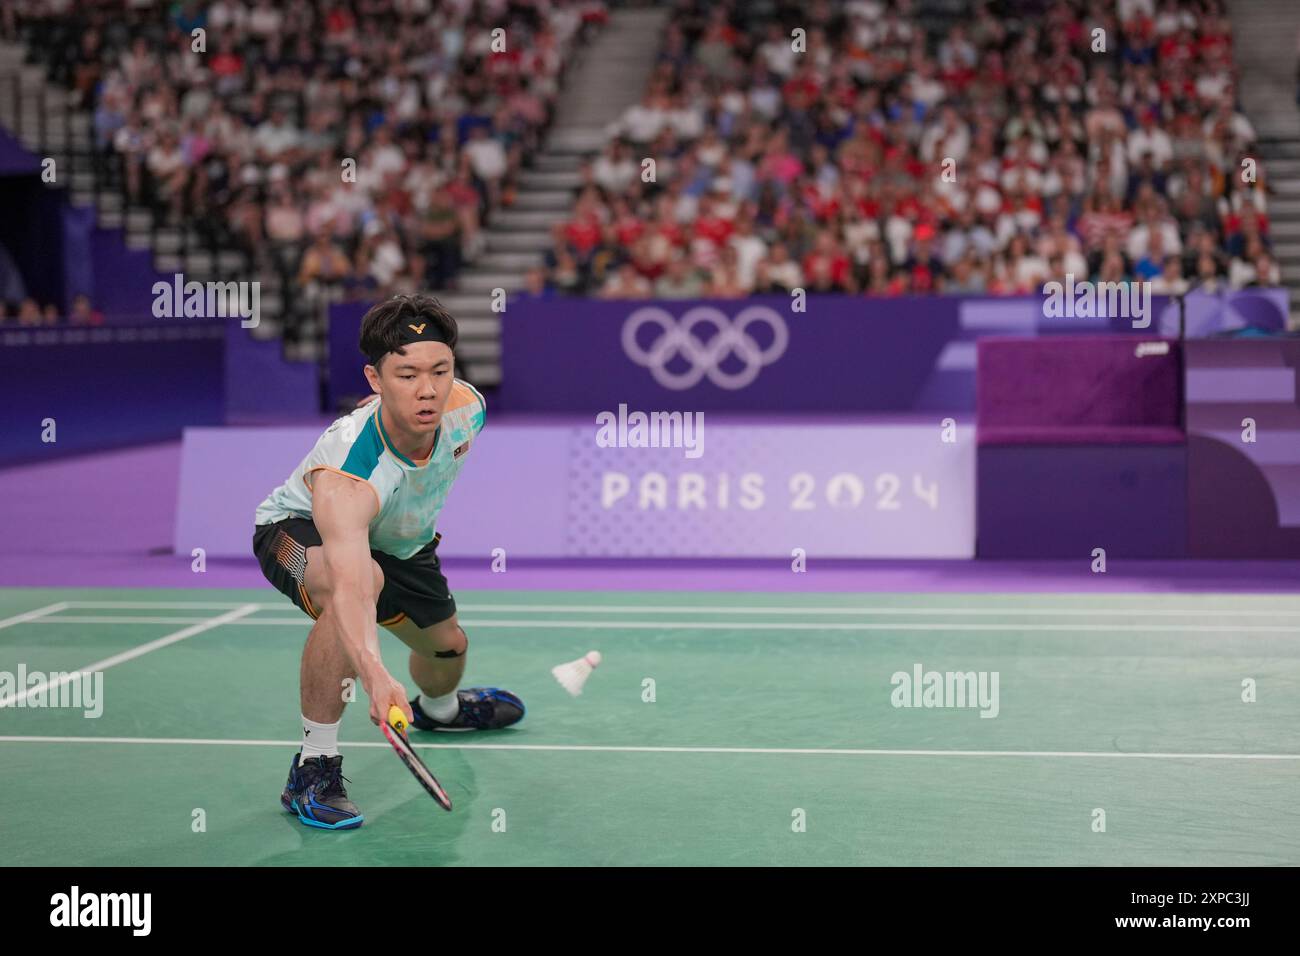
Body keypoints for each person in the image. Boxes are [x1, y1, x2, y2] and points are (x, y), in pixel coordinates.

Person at [252, 294, 524, 830]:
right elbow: (354, 588)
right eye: (406, 375)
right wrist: (375, 675)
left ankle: (440, 713)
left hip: (403, 543)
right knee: (352, 587)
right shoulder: (348, 473)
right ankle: (314, 764)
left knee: (448, 648)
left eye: (440, 370)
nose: (427, 389)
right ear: (375, 379)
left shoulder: (468, 409)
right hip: (298, 533)